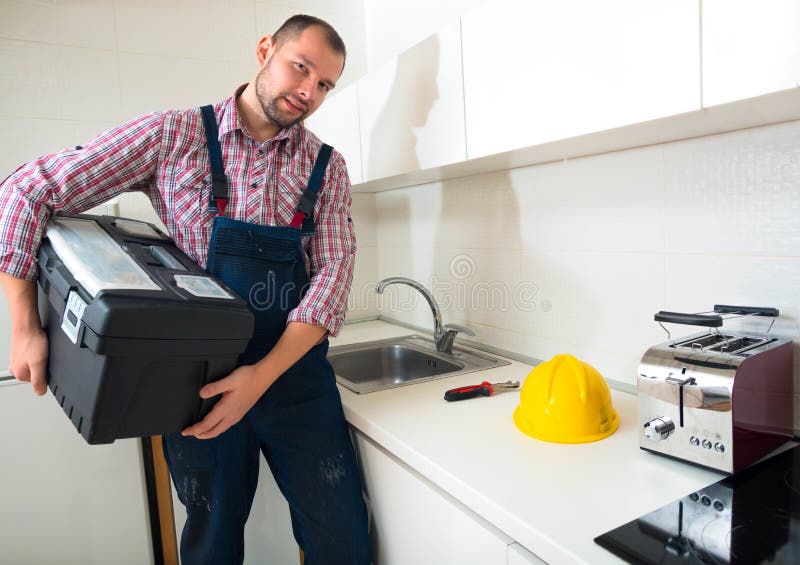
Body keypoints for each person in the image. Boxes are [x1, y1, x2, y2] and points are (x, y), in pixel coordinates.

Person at [0, 14, 370, 565]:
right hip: (196, 383)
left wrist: (261, 376)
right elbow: (27, 191)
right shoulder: (174, 135)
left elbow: (332, 277)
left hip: (294, 379)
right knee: (211, 543)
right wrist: (26, 325)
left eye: (323, 85)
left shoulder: (327, 167)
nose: (307, 92)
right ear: (265, 48)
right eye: (301, 67)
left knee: (341, 537)